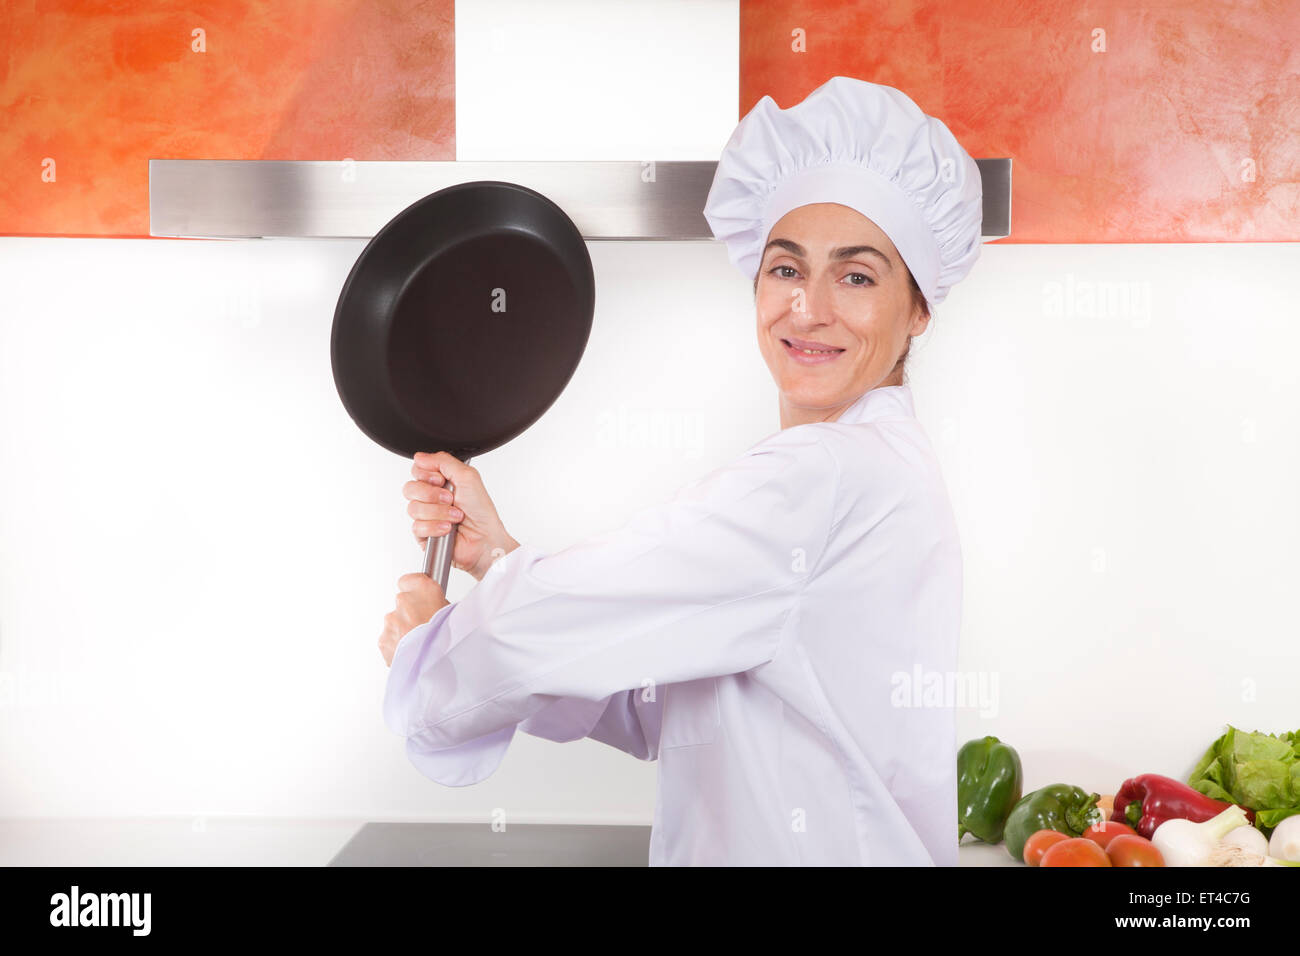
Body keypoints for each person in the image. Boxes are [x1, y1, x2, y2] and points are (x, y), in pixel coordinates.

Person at [377, 76, 984, 865]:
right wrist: (496, 559)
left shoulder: (827, 475)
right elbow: (663, 704)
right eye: (787, 269)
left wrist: (440, 645)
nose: (808, 308)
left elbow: (594, 605)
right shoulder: (874, 470)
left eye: (858, 276)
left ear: (920, 309)